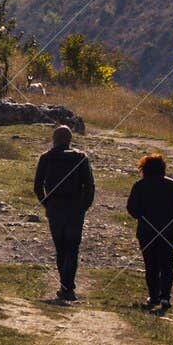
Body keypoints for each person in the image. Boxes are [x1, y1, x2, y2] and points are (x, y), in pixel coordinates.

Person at [33, 124, 97, 303]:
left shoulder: (46, 157)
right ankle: (68, 286)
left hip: (55, 207)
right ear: (70, 140)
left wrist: (46, 204)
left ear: (54, 139)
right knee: (73, 247)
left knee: (60, 247)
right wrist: (84, 206)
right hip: (75, 207)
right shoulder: (80, 157)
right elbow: (89, 185)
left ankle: (65, 284)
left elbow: (37, 186)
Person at [126, 153, 173, 313]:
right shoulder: (172, 185)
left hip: (146, 231)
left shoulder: (140, 185)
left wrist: (141, 216)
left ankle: (153, 296)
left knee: (150, 265)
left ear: (144, 168)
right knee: (167, 265)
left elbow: (131, 208)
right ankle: (165, 296)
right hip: (168, 232)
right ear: (163, 168)